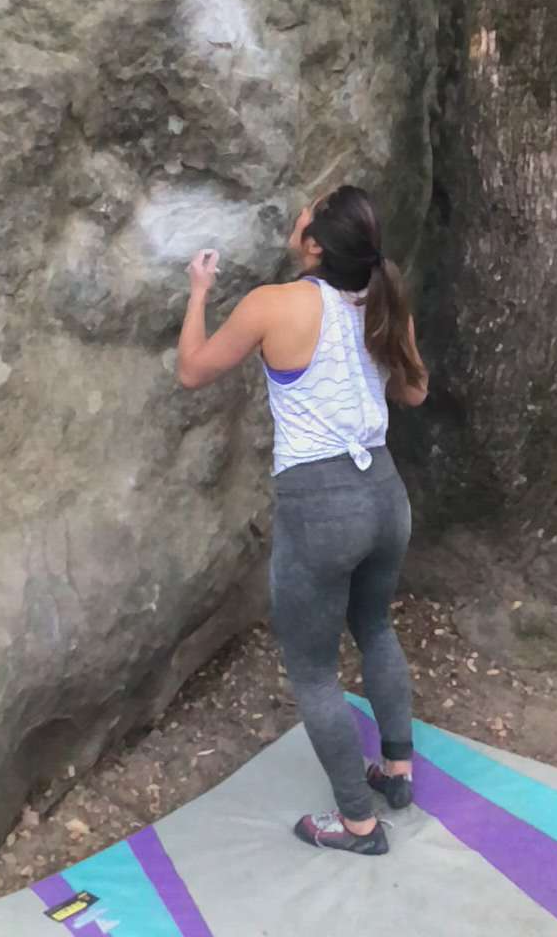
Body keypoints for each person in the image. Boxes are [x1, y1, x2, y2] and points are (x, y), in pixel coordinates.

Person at [176, 184, 428, 857]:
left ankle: (356, 824)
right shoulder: (383, 297)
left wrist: (199, 290)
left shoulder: (273, 304)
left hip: (320, 504)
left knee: (313, 670)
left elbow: (194, 370)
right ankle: (397, 773)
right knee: (374, 625)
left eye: (307, 212)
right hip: (384, 492)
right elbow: (413, 390)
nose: (298, 216)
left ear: (314, 242)